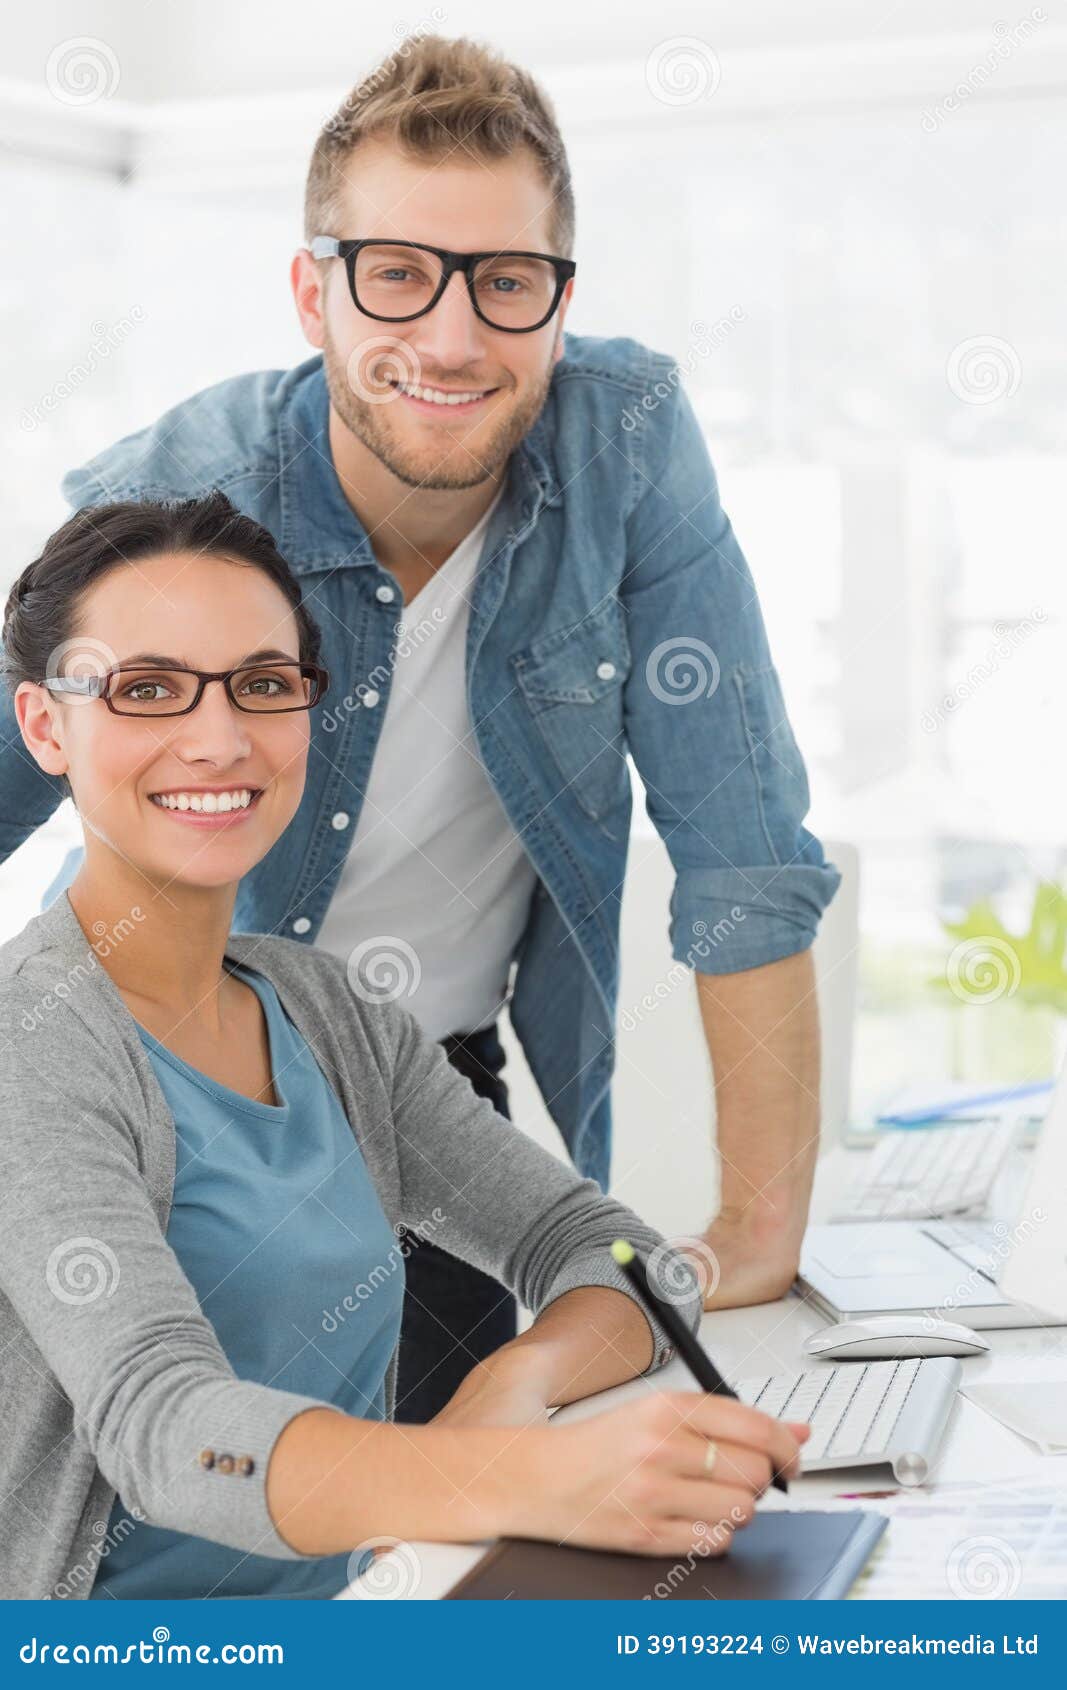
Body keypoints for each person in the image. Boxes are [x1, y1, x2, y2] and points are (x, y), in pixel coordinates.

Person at [0, 34, 840, 1424]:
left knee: (452, 1532)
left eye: (505, 282)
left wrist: (753, 1226)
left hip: (431, 1097)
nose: (451, 338)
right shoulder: (184, 491)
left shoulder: (622, 449)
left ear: (558, 303)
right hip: (164, 1098)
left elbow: (740, 848)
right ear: (311, 293)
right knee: (154, 1517)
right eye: (394, 274)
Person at [0, 494, 807, 1601]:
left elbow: (620, 1257)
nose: (219, 738)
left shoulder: (327, 1015)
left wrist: (515, 1386)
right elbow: (167, 1429)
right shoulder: (32, 1043)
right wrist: (521, 1477)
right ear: (46, 726)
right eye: (147, 690)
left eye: (262, 684)